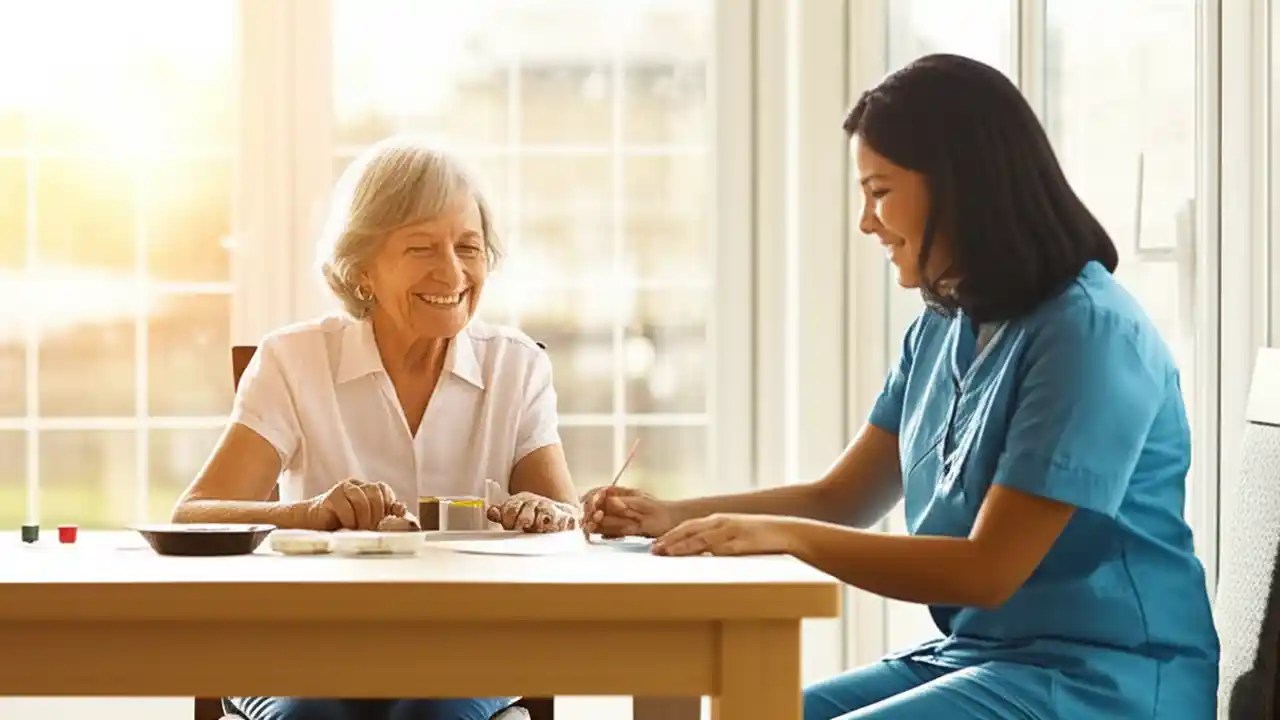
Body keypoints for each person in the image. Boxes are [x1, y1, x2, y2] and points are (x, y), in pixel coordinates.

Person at [582, 54, 1219, 719]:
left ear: (961, 186)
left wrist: (783, 536)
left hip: (1111, 680)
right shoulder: (946, 324)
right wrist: (675, 515)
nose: (866, 221)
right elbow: (844, 497)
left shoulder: (1089, 333)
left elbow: (987, 571)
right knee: (749, 712)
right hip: (985, 657)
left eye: (880, 191)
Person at [173, 137, 578, 720]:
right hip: (303, 643)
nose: (453, 271)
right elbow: (197, 513)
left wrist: (545, 515)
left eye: (469, 246)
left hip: (467, 645)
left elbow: (568, 528)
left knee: (431, 715)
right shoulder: (294, 359)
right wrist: (305, 513)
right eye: (420, 248)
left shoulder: (516, 366)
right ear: (361, 268)